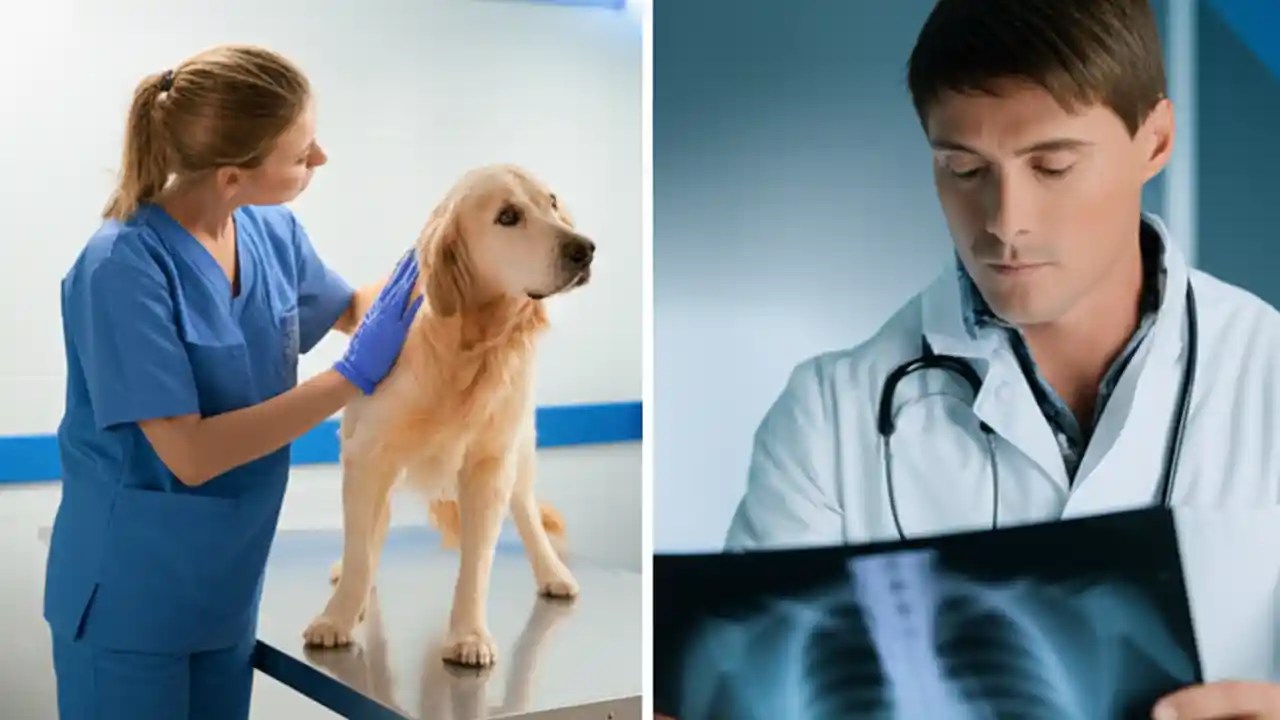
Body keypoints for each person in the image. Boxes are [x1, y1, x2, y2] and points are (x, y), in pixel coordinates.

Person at [720, 1, 1280, 718]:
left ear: (1156, 140)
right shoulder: (830, 417)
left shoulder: (1265, 372)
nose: (1004, 220)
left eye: (1052, 166)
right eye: (963, 168)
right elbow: (756, 690)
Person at [43, 44, 423, 719]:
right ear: (230, 176)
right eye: (302, 152)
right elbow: (191, 455)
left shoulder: (272, 232)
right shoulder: (121, 269)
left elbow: (355, 314)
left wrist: (447, 292)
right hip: (129, 599)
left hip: (223, 589)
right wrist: (348, 379)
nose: (320, 160)